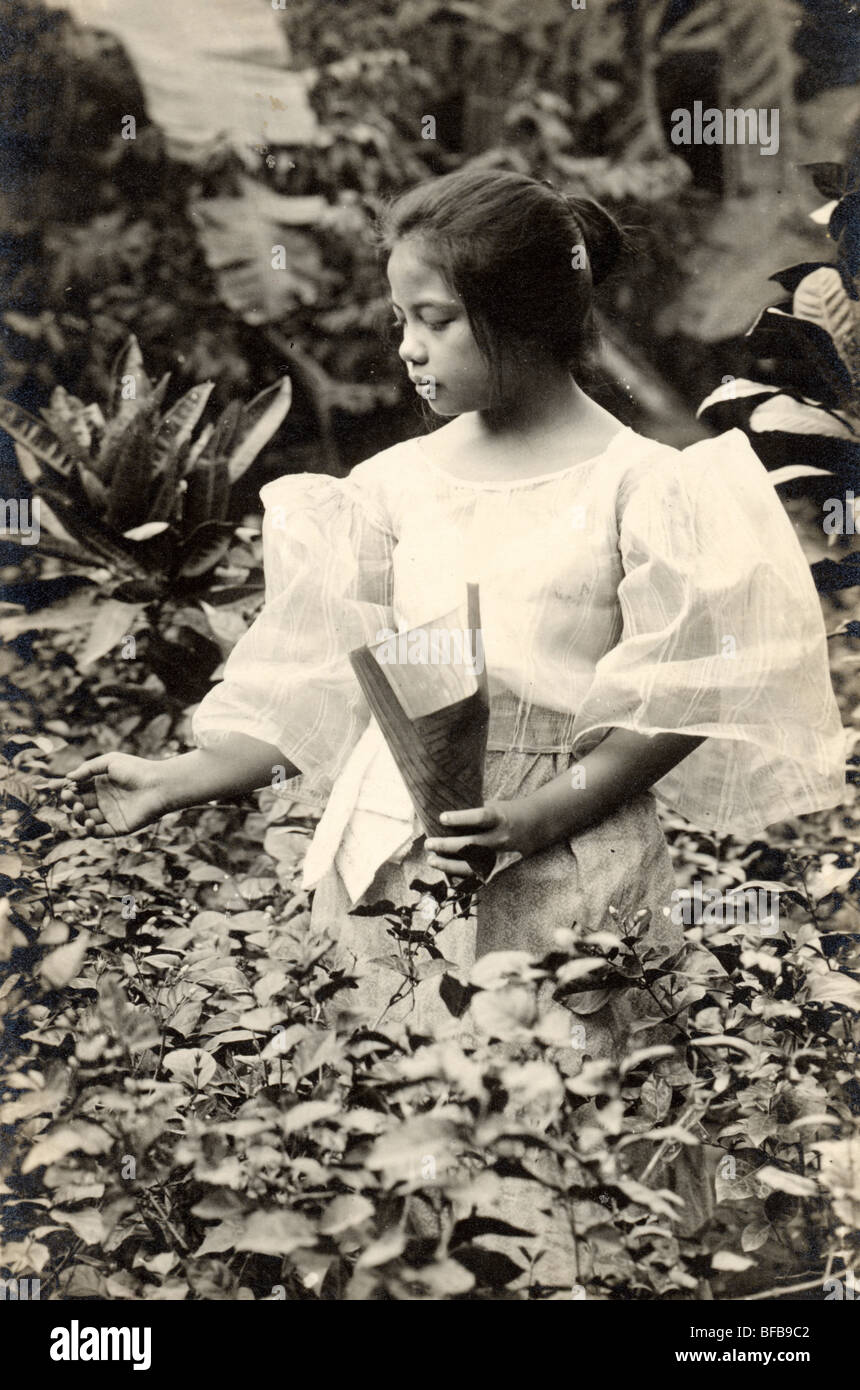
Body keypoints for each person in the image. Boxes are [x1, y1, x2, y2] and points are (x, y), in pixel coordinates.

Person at [62, 168, 845, 1284]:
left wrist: (544, 811)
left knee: (567, 1136)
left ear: (520, 316)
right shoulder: (389, 489)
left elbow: (681, 693)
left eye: (432, 321)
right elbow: (323, 685)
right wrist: (180, 774)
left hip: (573, 849)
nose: (406, 351)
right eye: (398, 323)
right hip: (408, 856)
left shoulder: (644, 486)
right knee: (402, 1137)